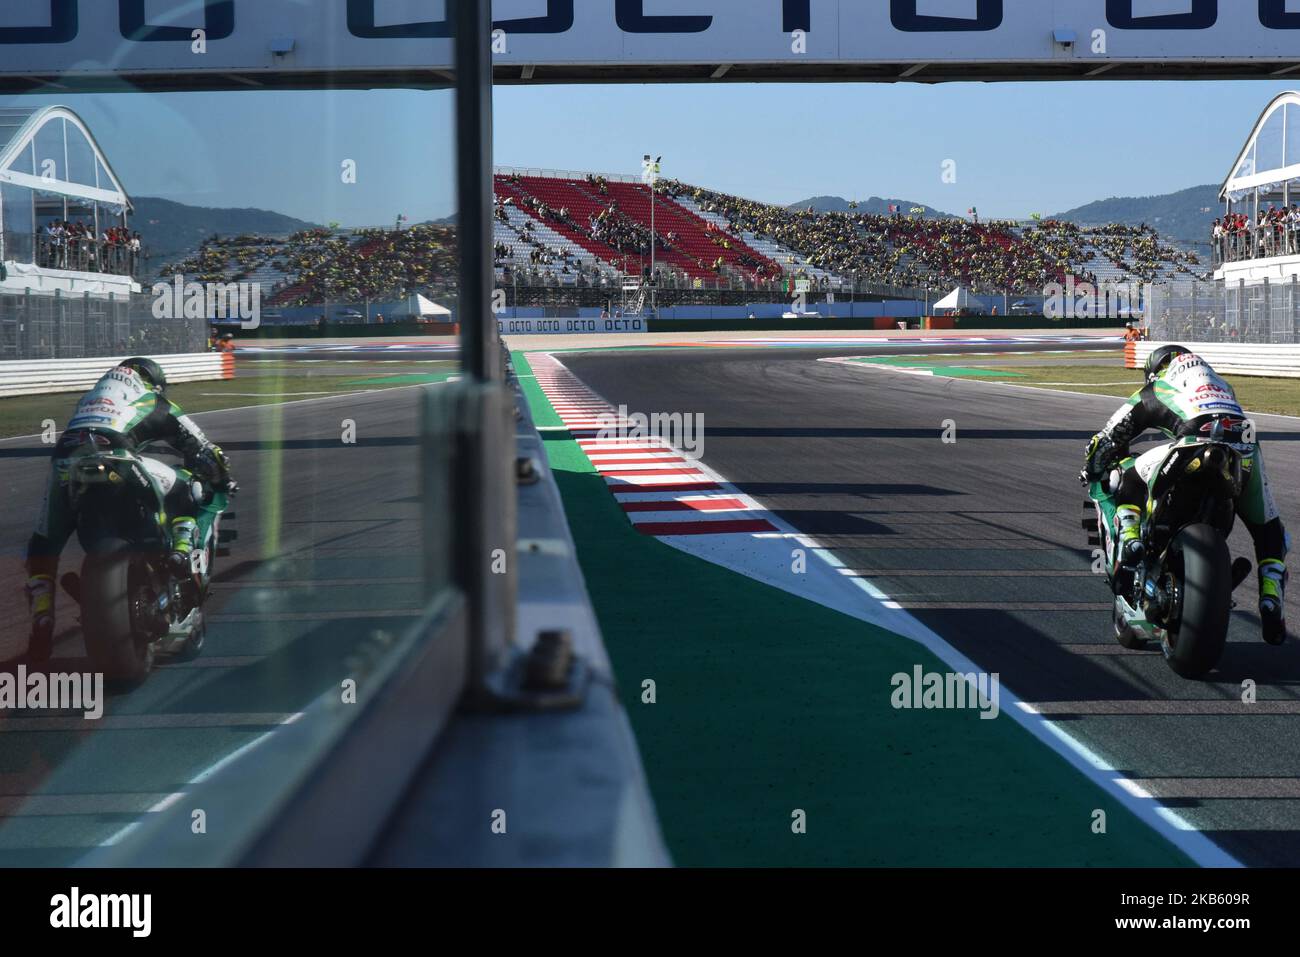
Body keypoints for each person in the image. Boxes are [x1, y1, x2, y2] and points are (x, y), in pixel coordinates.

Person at [23, 358, 235, 658]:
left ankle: (42, 616)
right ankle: (181, 551)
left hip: (65, 463)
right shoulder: (154, 400)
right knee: (189, 488)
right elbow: (203, 449)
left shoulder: (90, 398)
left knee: (44, 542)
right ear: (154, 382)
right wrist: (223, 479)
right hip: (119, 459)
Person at [1083, 345, 1288, 644]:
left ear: (1155, 370)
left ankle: (1130, 540)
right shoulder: (1221, 383)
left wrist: (1092, 465)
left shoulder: (1157, 388)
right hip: (1243, 448)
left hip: (1191, 444)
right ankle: (1271, 596)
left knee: (1125, 474)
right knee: (1268, 527)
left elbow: (1110, 434)